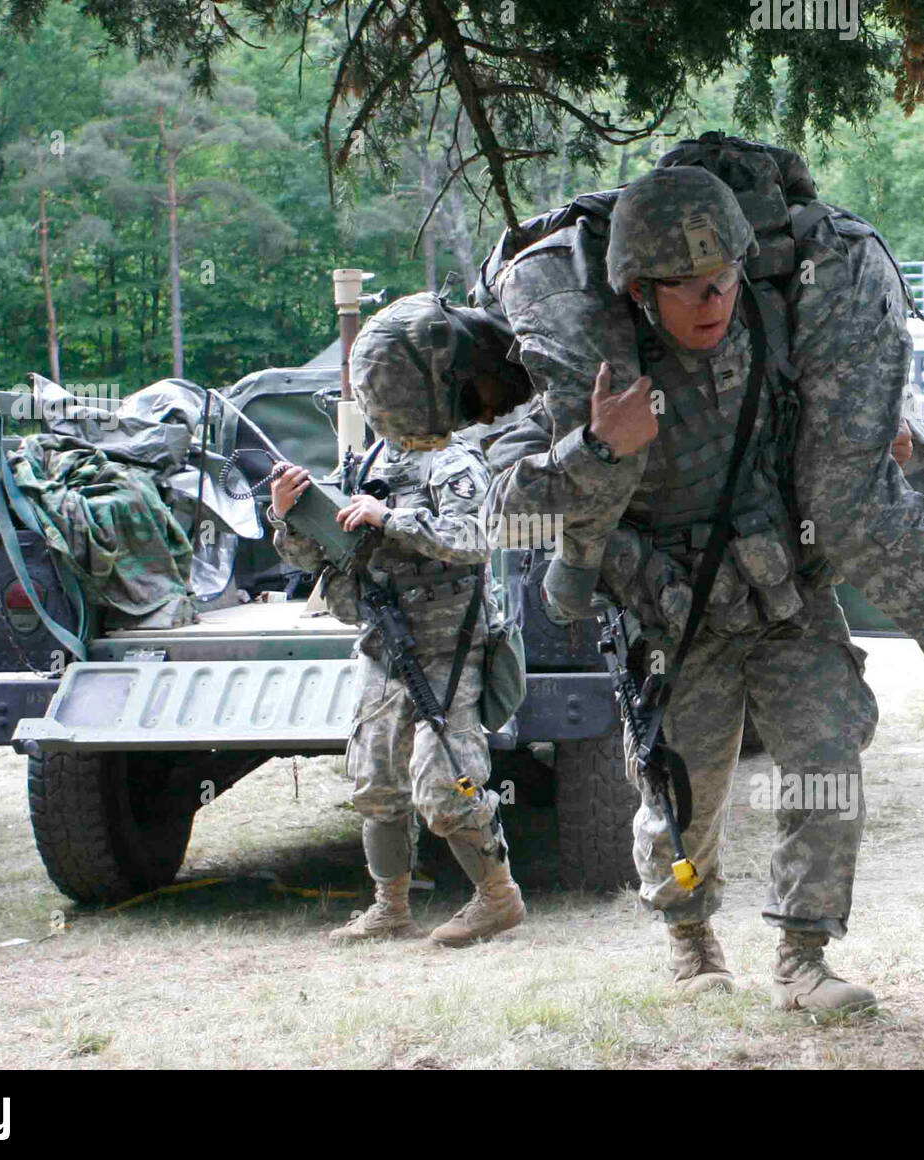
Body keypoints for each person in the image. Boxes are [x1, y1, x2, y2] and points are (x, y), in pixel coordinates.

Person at [483, 167, 886, 1010]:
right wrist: (595, 445)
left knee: (824, 763)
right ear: (636, 291)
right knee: (683, 799)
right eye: (686, 289)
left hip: (786, 599)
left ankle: (804, 956)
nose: (712, 303)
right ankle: (692, 937)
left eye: (724, 280)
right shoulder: (592, 373)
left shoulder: (779, 340)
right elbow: (500, 506)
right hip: (678, 621)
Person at [266, 292, 530, 947]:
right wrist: (288, 512)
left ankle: (497, 896)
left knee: (450, 786)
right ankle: (391, 906)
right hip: (385, 646)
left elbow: (473, 539)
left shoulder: (456, 459)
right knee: (376, 783)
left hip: (449, 655)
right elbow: (314, 552)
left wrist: (393, 519)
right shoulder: (368, 460)